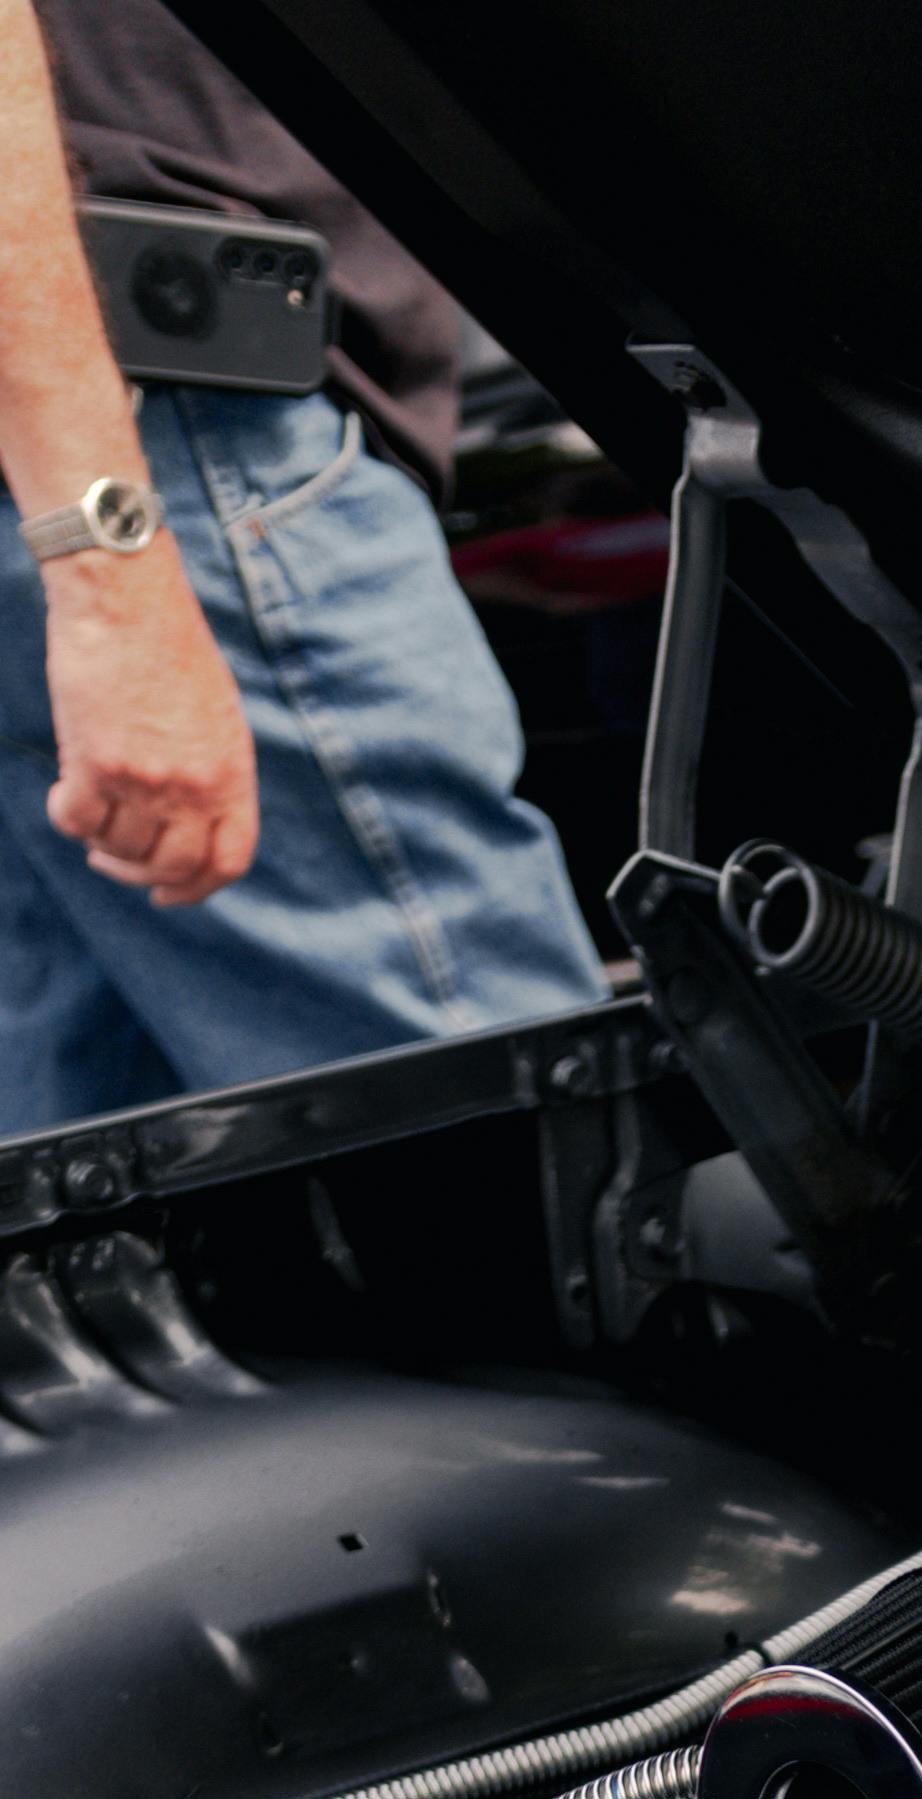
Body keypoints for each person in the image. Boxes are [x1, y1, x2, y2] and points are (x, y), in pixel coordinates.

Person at [0, 0, 602, 1133]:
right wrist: (107, 565)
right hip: (148, 448)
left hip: (89, 462)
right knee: (518, 1175)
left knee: (97, 1257)